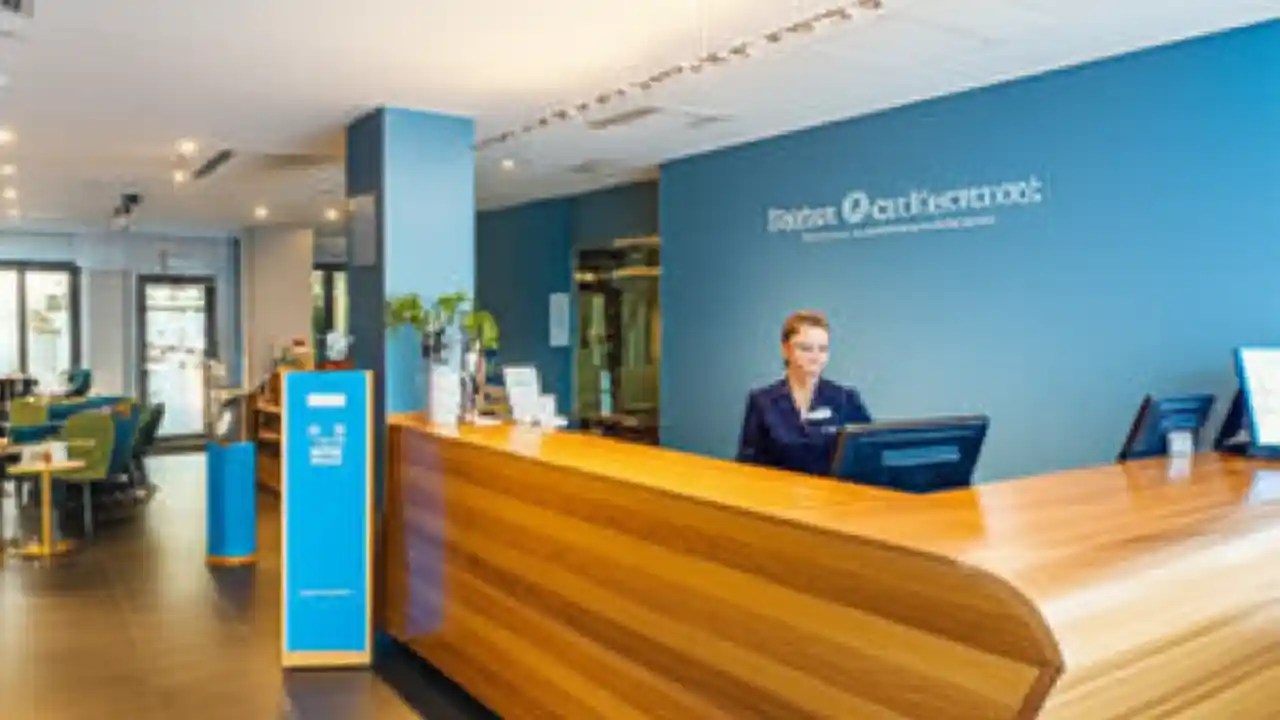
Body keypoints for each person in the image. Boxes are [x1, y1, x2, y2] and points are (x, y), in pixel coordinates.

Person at [736, 310, 871, 475]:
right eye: (806, 348)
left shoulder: (846, 399)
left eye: (822, 349)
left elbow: (870, 457)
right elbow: (748, 467)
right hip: (779, 496)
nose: (815, 357)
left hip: (834, 496)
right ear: (786, 349)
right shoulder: (762, 402)